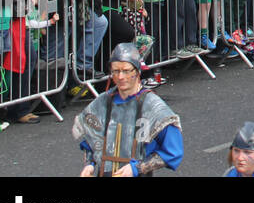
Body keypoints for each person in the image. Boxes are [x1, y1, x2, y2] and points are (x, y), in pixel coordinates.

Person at [73, 42, 182, 177]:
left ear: (137, 71)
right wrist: (90, 164)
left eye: (126, 71)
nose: (120, 77)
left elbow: (173, 152)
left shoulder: (153, 106)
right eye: (116, 71)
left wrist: (137, 168)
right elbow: (91, 142)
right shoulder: (103, 102)